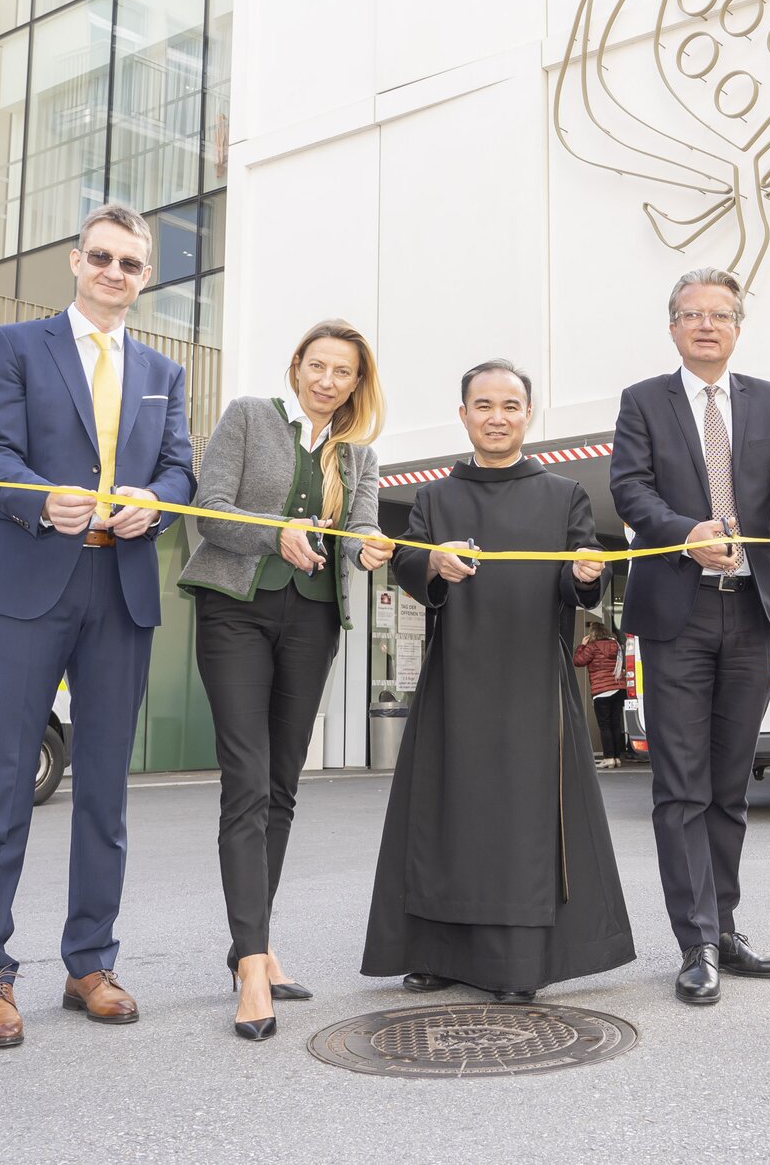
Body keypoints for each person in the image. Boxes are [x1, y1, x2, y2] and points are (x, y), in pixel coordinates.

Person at [0, 202, 196, 1049]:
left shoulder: (164, 368)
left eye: (131, 263)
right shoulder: (14, 345)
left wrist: (156, 503)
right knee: (5, 778)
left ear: (145, 275)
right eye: (102, 257)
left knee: (104, 788)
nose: (115, 273)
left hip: (119, 584)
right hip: (29, 578)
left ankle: (90, 960)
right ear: (74, 259)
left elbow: (178, 468)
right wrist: (35, 496)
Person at [361, 361, 635, 1002]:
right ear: (463, 415)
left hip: (535, 684)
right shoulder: (433, 498)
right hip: (454, 682)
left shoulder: (564, 493)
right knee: (445, 816)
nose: (496, 417)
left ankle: (519, 963)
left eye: (510, 405)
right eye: (483, 405)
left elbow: (574, 578)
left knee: (522, 823)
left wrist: (589, 577)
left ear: (527, 414)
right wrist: (428, 559)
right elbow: (406, 564)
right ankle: (435, 952)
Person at [609, 267, 770, 1005]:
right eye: (691, 314)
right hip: (677, 613)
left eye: (719, 314)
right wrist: (683, 533)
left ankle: (725, 926)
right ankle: (693, 939)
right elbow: (629, 488)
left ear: (737, 327)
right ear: (673, 327)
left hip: (752, 610)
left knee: (730, 785)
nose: (706, 325)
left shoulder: (769, 400)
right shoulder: (643, 401)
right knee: (682, 787)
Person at [178, 320, 391, 1040]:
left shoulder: (358, 455)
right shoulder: (249, 417)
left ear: (358, 383)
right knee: (247, 778)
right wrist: (274, 533)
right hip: (236, 611)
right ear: (297, 365)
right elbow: (209, 508)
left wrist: (367, 550)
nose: (328, 380)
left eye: (344, 372)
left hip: (312, 622)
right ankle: (248, 964)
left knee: (282, 788)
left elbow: (359, 534)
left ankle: (257, 945)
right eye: (319, 365)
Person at [574, 618, 626, 765]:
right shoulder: (615, 645)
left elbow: (578, 661)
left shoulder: (592, 647)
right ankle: (616, 758)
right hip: (618, 688)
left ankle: (608, 758)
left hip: (602, 691)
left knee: (605, 725)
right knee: (615, 723)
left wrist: (582, 646)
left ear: (593, 634)